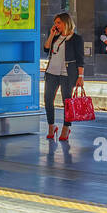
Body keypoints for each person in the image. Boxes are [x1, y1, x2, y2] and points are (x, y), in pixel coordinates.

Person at [42, 12, 84, 141]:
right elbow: (46, 48)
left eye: (58, 23)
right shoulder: (56, 37)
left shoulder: (76, 39)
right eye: (55, 23)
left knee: (67, 101)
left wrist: (80, 76)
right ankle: (51, 126)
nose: (56, 25)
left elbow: (80, 59)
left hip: (67, 73)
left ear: (66, 23)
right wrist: (51, 34)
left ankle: (66, 128)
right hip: (51, 72)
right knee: (48, 99)